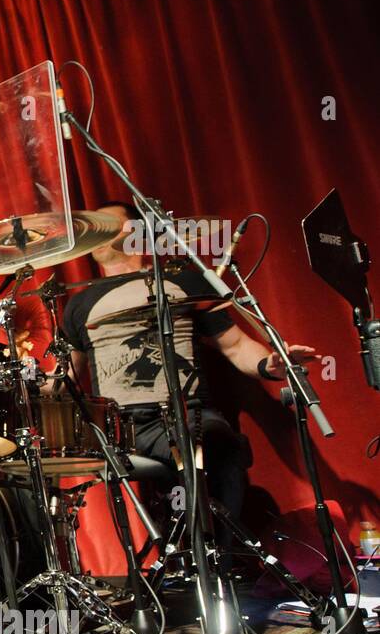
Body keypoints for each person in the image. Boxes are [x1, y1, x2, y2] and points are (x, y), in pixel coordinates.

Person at [60, 201, 317, 558]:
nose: (97, 233)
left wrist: (269, 365)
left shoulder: (185, 281)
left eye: (107, 224)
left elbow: (237, 345)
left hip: (190, 413)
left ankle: (217, 562)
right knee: (183, 459)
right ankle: (183, 560)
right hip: (125, 427)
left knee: (218, 444)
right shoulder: (79, 303)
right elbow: (67, 378)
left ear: (138, 232)